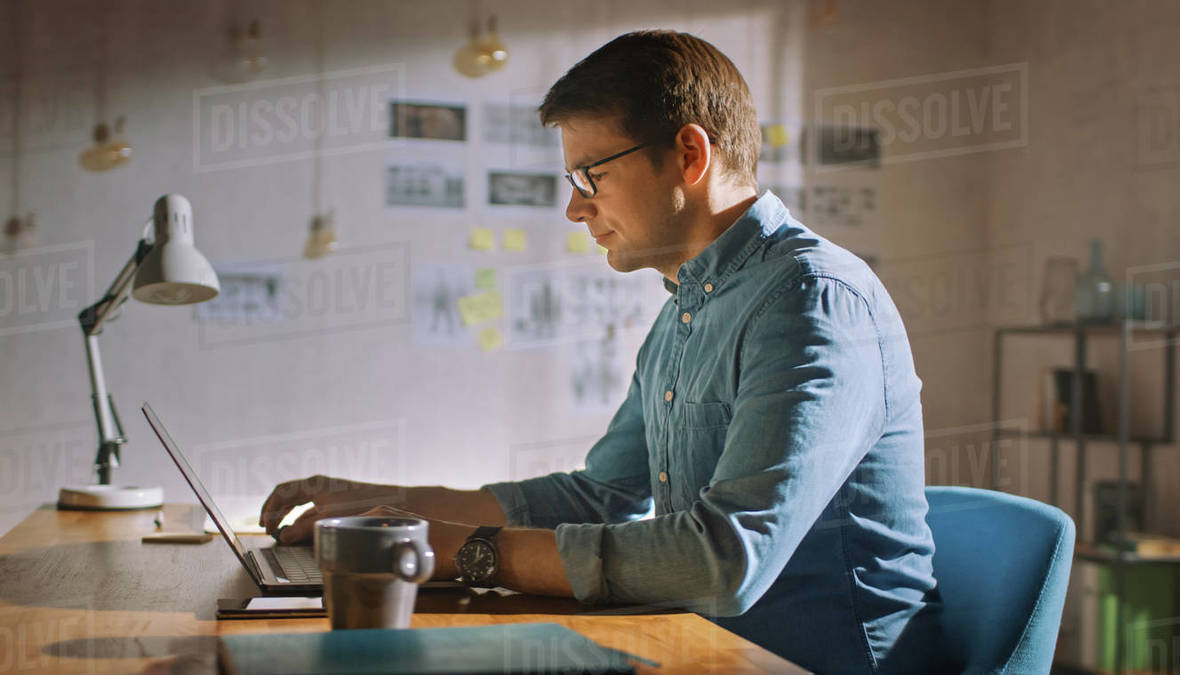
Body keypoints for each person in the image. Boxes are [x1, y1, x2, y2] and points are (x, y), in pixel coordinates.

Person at [260, 30, 944, 674]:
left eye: (590, 175)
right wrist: (392, 507)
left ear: (689, 155)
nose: (575, 209)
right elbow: (600, 494)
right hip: (701, 648)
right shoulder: (689, 305)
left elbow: (724, 558)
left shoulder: (810, 300)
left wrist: (469, 552)